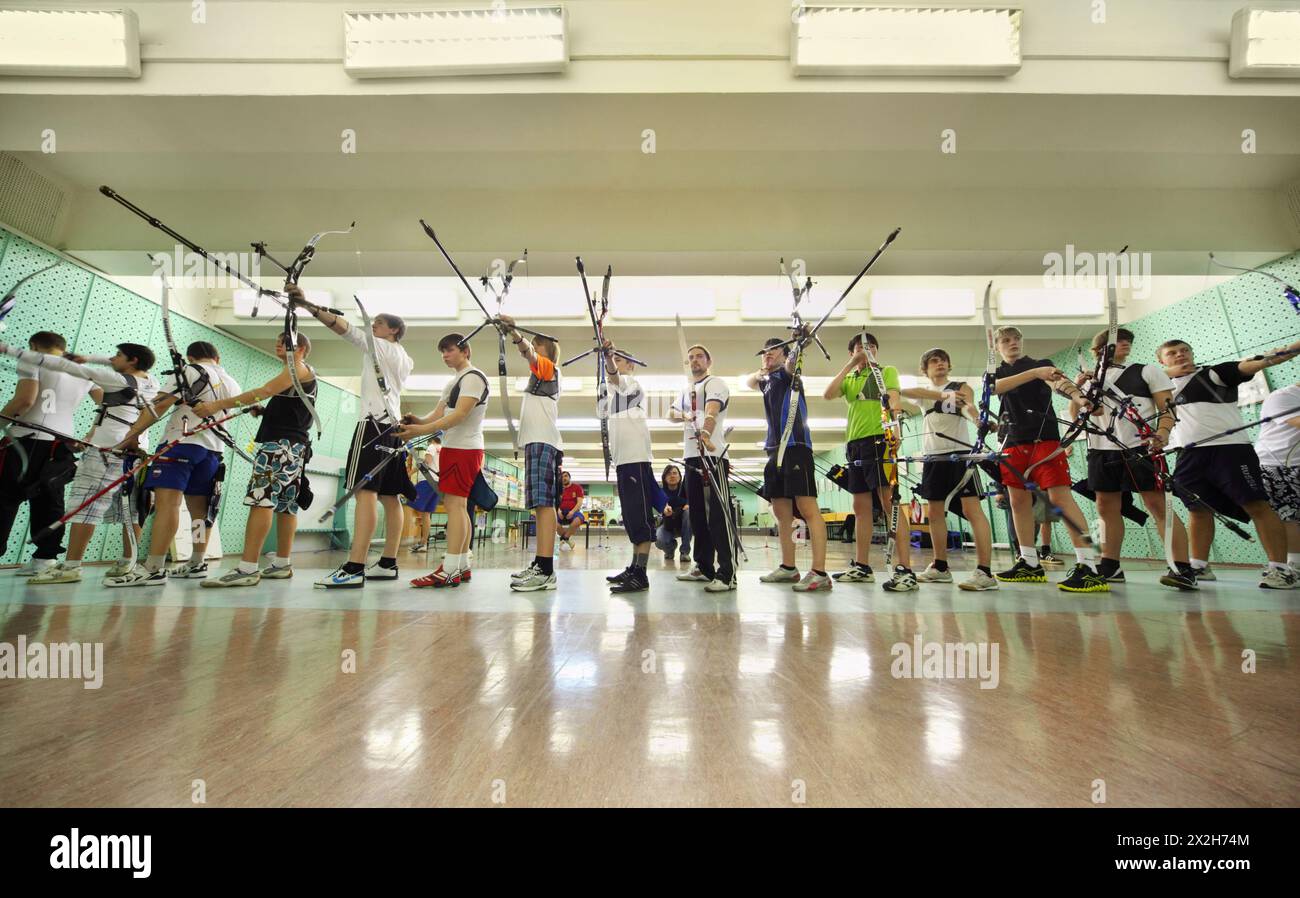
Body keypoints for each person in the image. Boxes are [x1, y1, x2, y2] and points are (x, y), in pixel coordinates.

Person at [0, 340, 158, 584]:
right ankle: (129, 562)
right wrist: (89, 357)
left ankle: (71, 566)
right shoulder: (151, 382)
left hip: (108, 452)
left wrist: (8, 349)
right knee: (132, 511)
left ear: (132, 361)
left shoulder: (114, 380)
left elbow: (60, 365)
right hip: (133, 451)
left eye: (117, 355)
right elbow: (111, 376)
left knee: (85, 507)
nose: (112, 358)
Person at [292, 286, 414, 589]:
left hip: (373, 426)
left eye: (379, 324)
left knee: (366, 494)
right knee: (389, 496)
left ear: (394, 330)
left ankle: (355, 565)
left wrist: (308, 305)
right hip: (393, 428)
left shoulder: (381, 347)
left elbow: (345, 329)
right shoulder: (405, 358)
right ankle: (387, 563)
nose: (373, 327)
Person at [1158, 337, 1300, 589]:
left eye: (1184, 351)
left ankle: (1281, 570)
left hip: (1229, 451)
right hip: (1188, 454)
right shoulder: (1159, 387)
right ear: (1161, 360)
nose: (1180, 355)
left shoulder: (1215, 374)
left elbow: (1259, 362)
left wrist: (1294, 348)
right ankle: (1199, 566)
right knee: (1198, 510)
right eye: (1172, 353)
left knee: (1257, 505)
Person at [108, 341, 245, 586]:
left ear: (191, 357)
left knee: (167, 505)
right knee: (199, 511)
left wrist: (130, 437)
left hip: (181, 444)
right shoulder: (232, 382)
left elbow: (158, 405)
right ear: (217, 357)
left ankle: (154, 567)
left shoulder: (188, 372)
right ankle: (197, 562)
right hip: (213, 451)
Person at [1071, 327, 1197, 590]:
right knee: (1106, 508)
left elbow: (1168, 409)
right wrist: (1080, 389)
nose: (1125, 345)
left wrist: (1162, 433)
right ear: (1098, 351)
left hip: (1139, 447)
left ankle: (1182, 567)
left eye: (1127, 341)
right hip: (1101, 449)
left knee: (1158, 506)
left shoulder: (1146, 370)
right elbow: (1082, 413)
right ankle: (1110, 565)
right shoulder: (1089, 380)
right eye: (1117, 342)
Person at [988, 324, 1107, 593]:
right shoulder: (998, 372)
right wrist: (1033, 374)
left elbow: (1058, 382)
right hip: (1013, 442)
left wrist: (1080, 397)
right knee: (1017, 502)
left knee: (1059, 499)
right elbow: (994, 389)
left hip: (1045, 441)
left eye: (1016, 338)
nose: (1012, 343)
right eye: (1005, 340)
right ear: (998, 347)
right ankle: (1029, 562)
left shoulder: (1043, 364)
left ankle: (1088, 566)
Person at [194, 332, 317, 587]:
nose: (278, 344)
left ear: (302, 348)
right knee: (286, 504)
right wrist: (265, 411)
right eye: (278, 340)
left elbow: (264, 390)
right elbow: (287, 405)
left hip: (279, 445)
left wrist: (217, 406)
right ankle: (282, 564)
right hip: (295, 446)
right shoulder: (303, 373)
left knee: (261, 501)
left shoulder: (297, 368)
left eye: (286, 342)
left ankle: (247, 568)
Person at [821, 332, 914, 590]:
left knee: (888, 502)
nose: (867, 349)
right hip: (854, 443)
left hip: (880, 439)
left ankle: (905, 569)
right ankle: (862, 566)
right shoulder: (851, 377)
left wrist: (895, 430)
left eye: (871, 346)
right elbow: (828, 394)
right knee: (860, 506)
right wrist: (850, 365)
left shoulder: (886, 371)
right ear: (851, 352)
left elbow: (893, 398)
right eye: (861, 347)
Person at [899, 347, 998, 590]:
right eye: (933, 361)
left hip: (960, 455)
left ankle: (985, 572)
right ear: (926, 369)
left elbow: (969, 407)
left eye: (943, 360)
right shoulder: (923, 394)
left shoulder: (961, 386)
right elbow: (901, 391)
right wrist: (939, 396)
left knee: (972, 509)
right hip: (933, 458)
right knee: (934, 513)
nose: (940, 363)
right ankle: (940, 567)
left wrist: (978, 420)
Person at [397, 332, 490, 588]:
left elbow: (459, 416)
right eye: (442, 352)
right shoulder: (454, 382)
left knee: (455, 506)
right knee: (458, 506)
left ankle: (449, 568)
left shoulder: (473, 378)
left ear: (465, 351)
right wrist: (417, 421)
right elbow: (438, 414)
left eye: (449, 350)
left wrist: (420, 432)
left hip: (465, 448)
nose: (445, 355)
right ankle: (460, 566)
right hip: (454, 447)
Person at [0, 331, 95, 576]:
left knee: (6, 497)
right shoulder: (82, 370)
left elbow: (24, 400)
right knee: (49, 500)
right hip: (62, 443)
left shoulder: (32, 358)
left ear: (34, 345)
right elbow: (110, 402)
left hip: (27, 439)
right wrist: (92, 435)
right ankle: (45, 558)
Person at [748, 336, 830, 591]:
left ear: (784, 355)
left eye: (774, 351)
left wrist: (797, 346)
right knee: (782, 512)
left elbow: (793, 363)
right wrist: (763, 368)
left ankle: (819, 572)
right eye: (765, 352)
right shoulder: (767, 382)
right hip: (774, 451)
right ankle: (788, 567)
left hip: (795, 448)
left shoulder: (787, 376)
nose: (768, 355)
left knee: (807, 508)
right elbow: (750, 381)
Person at [497, 314, 564, 593]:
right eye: (533, 344)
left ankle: (546, 570)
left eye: (539, 345)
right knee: (540, 506)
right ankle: (540, 564)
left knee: (544, 505)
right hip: (537, 444)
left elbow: (531, 357)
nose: (534, 348)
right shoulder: (538, 378)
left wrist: (515, 334)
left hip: (543, 442)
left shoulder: (549, 370)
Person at [669, 341, 737, 592]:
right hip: (691, 458)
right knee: (697, 516)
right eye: (691, 358)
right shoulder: (687, 390)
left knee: (718, 516)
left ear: (709, 361)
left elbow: (712, 411)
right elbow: (671, 413)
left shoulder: (714, 383)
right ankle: (704, 567)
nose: (695, 360)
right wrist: (684, 415)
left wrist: (706, 434)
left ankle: (728, 573)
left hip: (713, 456)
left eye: (699, 356)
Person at [601, 339, 657, 594]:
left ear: (631, 365)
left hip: (635, 460)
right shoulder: (614, 396)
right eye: (615, 360)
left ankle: (642, 574)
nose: (614, 365)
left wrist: (608, 357)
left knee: (641, 519)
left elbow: (614, 376)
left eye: (620, 360)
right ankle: (634, 568)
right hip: (623, 462)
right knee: (632, 518)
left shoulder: (631, 385)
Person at [1255, 380, 1300, 578]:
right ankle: (1294, 566)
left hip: (1296, 464)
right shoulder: (1283, 397)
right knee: (1286, 516)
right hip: (1275, 464)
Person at [405, 438, 440, 552]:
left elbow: (427, 462)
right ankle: (423, 543)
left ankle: (399, 538)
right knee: (426, 514)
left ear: (431, 441)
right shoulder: (444, 449)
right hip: (438, 484)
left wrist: (410, 472)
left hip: (427, 481)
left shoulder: (431, 447)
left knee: (408, 505)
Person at [655, 464, 691, 562]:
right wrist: (664, 509)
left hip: (685, 525)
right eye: (669, 474)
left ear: (680, 477)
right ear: (664, 478)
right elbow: (660, 507)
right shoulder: (661, 493)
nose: (672, 476)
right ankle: (670, 550)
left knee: (688, 512)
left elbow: (694, 503)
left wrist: (689, 505)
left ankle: (684, 552)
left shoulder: (687, 491)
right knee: (658, 540)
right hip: (668, 524)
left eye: (675, 473)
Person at [556, 471, 585, 551]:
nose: (564, 478)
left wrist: (572, 512)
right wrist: (559, 511)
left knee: (577, 520)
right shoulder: (558, 490)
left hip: (574, 511)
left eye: (565, 476)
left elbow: (579, 502)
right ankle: (568, 541)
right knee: (553, 522)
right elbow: (556, 503)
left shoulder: (577, 487)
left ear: (569, 477)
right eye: (562, 477)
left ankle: (564, 538)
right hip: (561, 512)